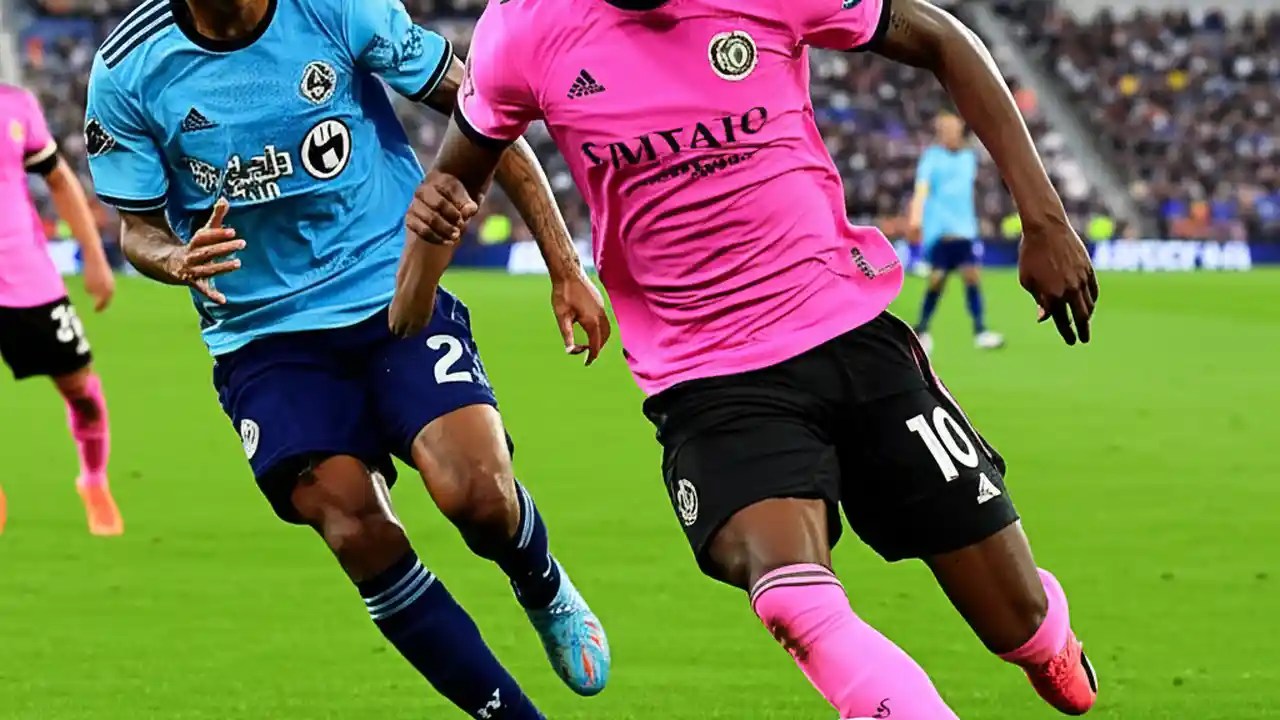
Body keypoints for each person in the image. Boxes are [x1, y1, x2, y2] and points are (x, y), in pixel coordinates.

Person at [391, 0, 1101, 718]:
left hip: (847, 332)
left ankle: (1048, 640)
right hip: (706, 375)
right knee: (791, 596)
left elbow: (944, 38)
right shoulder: (525, 27)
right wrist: (417, 284)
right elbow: (459, 171)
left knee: (1016, 621)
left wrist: (1043, 218)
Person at [83, 0, 611, 716]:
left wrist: (564, 265)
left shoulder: (335, 7)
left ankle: (540, 580)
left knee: (480, 499)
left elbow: (485, 114)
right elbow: (136, 227)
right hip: (262, 337)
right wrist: (173, 257)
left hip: (391, 294)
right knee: (353, 525)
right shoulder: (128, 66)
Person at [0, 83, 120, 536]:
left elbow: (58, 178)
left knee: (81, 393)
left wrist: (93, 255)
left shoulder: (16, 105)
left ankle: (93, 480)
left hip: (28, 280)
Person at [908, 113, 1004, 354]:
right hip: (940, 230)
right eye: (944, 129)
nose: (949, 133)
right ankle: (921, 329)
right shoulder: (932, 158)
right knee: (937, 280)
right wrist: (915, 218)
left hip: (965, 230)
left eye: (952, 128)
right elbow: (921, 190)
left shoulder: (968, 157)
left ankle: (981, 330)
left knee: (971, 276)